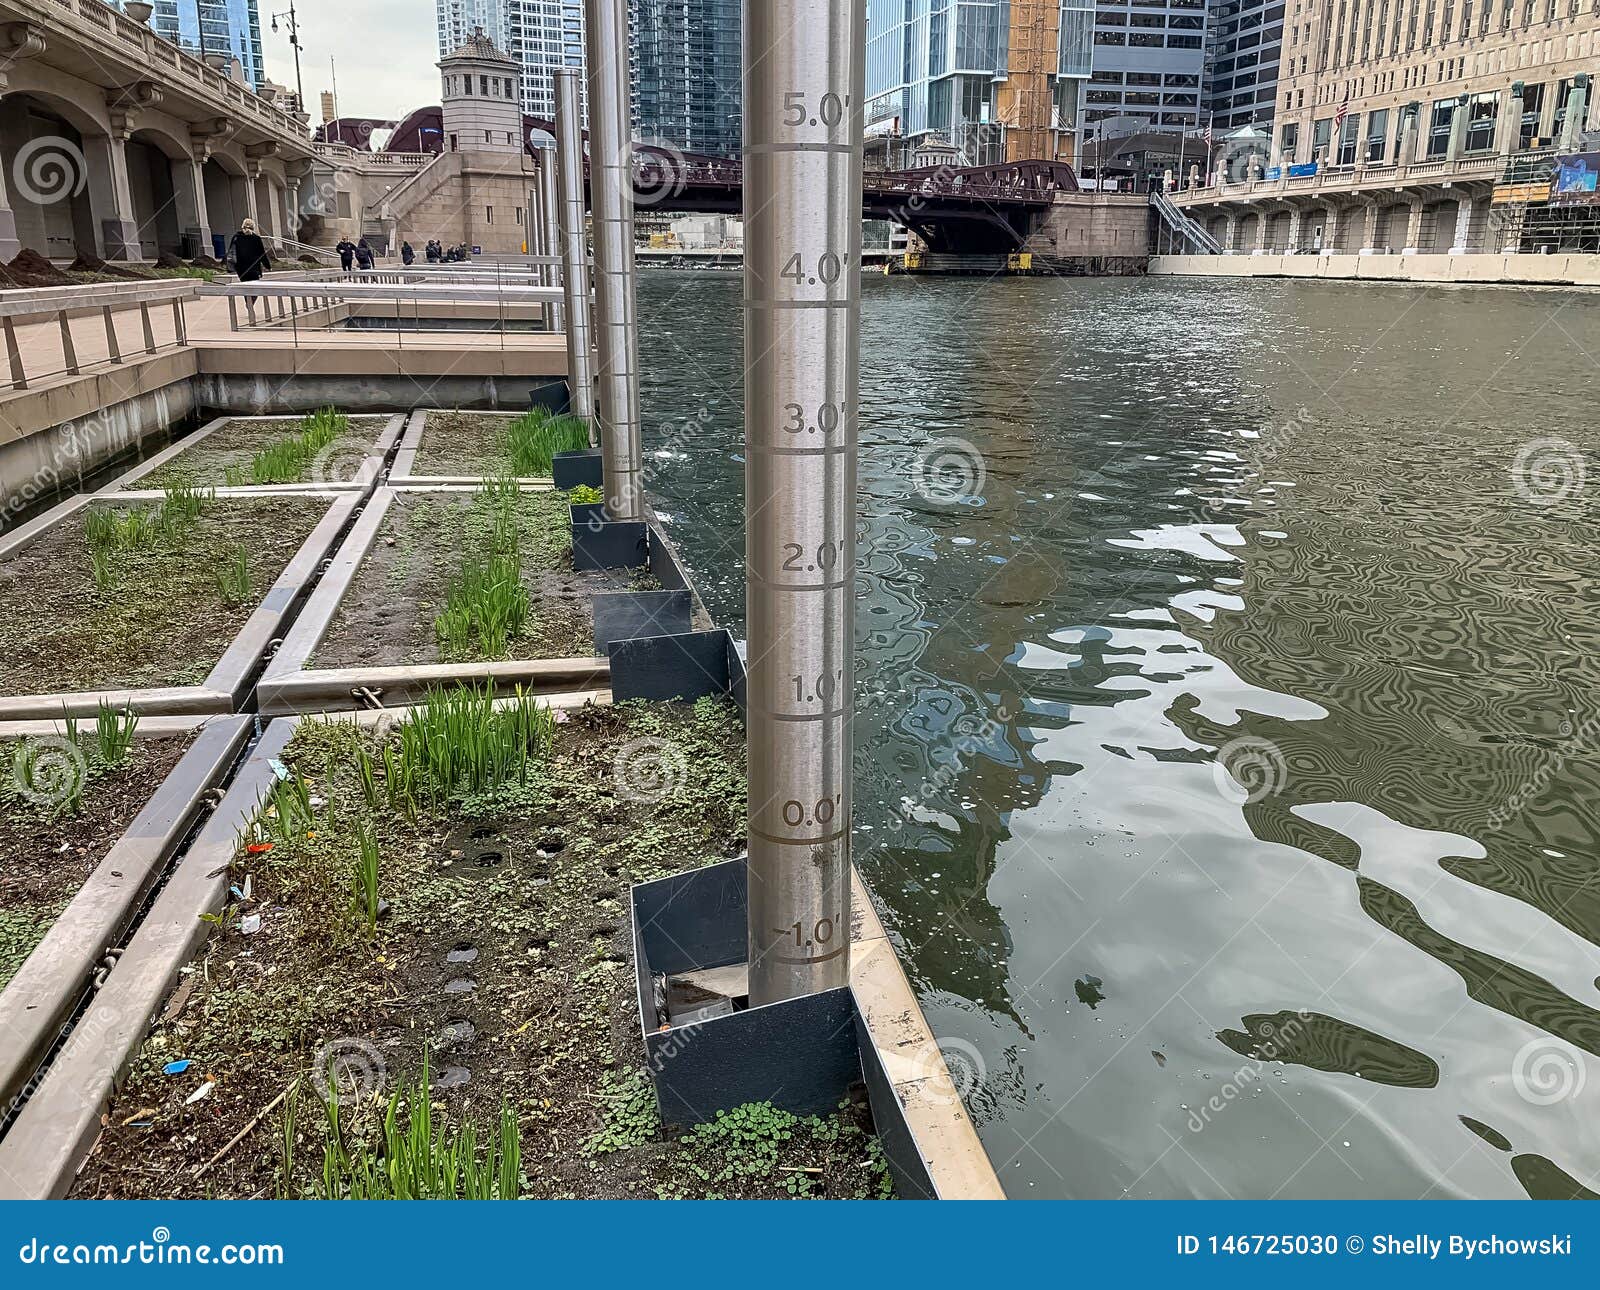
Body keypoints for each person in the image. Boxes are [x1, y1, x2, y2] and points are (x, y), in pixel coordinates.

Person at [229, 218, 270, 321]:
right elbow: (262, 254)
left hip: (241, 268)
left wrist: (230, 266)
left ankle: (248, 302)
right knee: (255, 288)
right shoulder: (256, 238)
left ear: (242, 226)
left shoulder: (236, 237)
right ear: (253, 227)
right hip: (254, 268)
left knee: (246, 287)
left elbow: (231, 252)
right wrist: (267, 266)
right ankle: (250, 303)